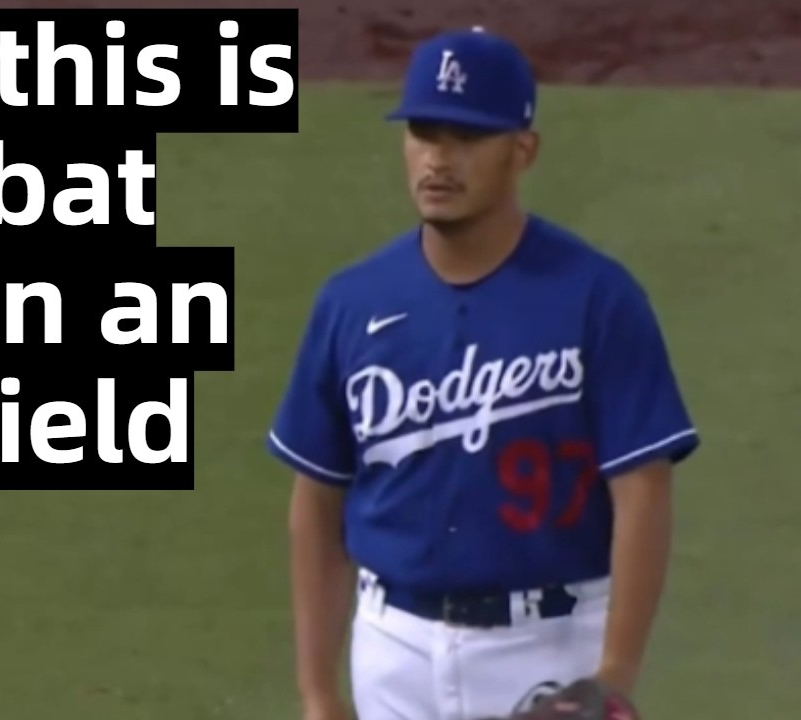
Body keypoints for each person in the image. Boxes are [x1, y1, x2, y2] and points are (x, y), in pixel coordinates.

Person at [265, 25, 700, 720]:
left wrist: (614, 673)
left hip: (551, 647)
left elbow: (643, 492)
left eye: (466, 138)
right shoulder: (352, 303)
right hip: (392, 646)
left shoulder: (596, 297)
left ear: (522, 150)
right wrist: (318, 693)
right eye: (424, 133)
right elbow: (316, 499)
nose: (438, 159)